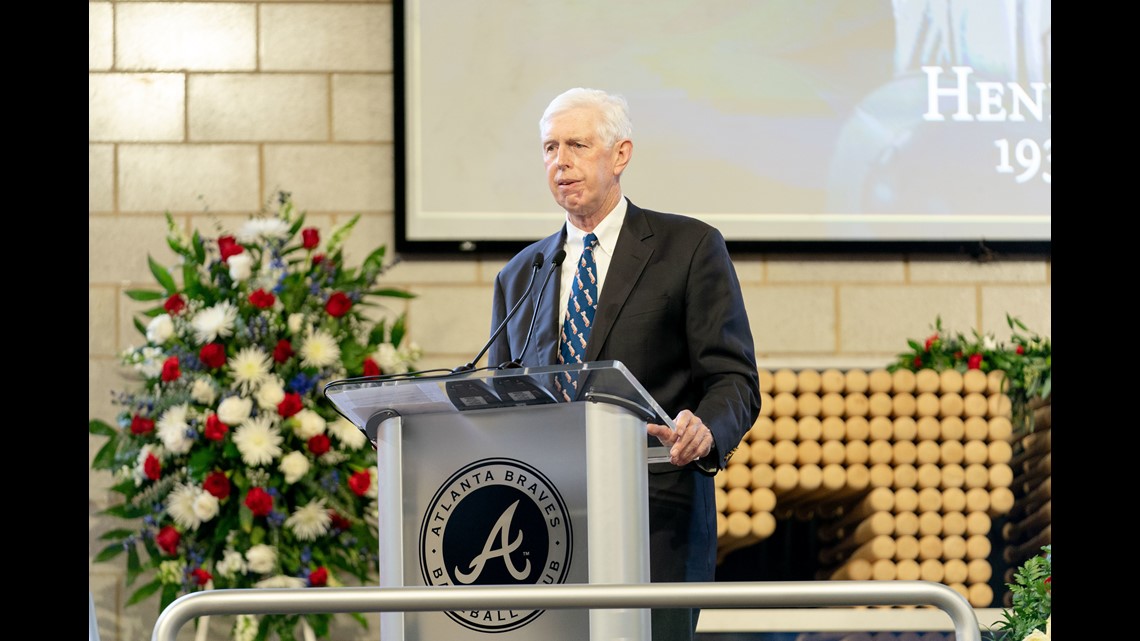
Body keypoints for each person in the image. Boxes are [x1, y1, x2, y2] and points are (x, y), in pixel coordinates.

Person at [487, 87, 762, 641]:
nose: (559, 161)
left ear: (620, 155)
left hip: (655, 514)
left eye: (577, 145)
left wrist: (706, 430)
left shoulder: (689, 248)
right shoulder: (521, 273)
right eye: (548, 148)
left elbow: (734, 378)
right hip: (542, 519)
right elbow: (502, 400)